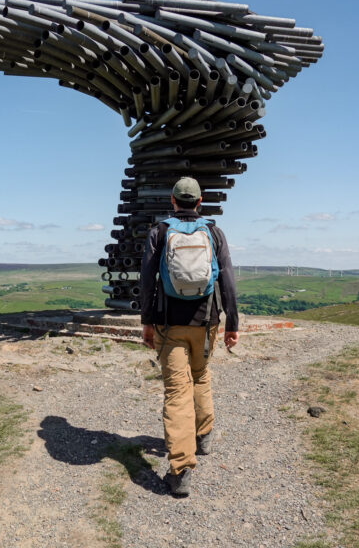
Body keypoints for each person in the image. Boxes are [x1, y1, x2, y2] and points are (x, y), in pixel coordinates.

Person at [139, 176, 239, 497]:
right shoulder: (213, 232)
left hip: (170, 324)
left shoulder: (160, 231)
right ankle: (204, 435)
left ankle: (181, 469)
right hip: (206, 322)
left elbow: (147, 282)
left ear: (172, 201)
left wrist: (147, 322)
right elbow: (228, 280)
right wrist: (232, 324)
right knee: (200, 375)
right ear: (199, 202)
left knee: (177, 392)